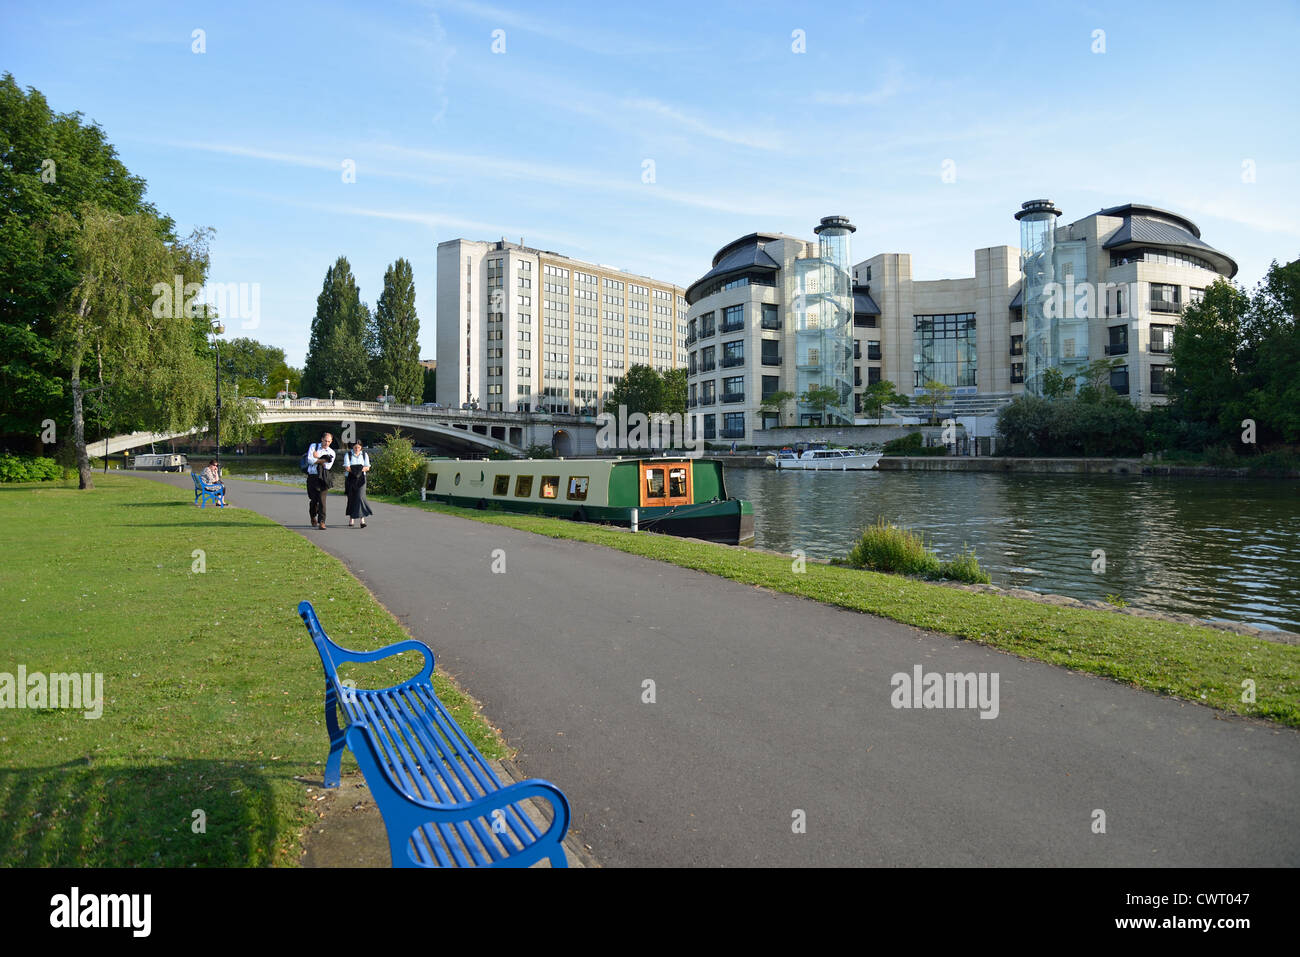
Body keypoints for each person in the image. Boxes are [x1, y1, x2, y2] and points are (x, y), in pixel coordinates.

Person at [305, 432, 336, 529]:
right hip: (313, 476)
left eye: (329, 441)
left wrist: (317, 458)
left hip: (324, 477)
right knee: (314, 500)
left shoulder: (331, 452)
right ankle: (312, 516)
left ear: (331, 442)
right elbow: (309, 460)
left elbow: (328, 466)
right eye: (325, 441)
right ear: (322, 439)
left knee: (322, 501)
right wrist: (323, 460)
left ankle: (322, 522)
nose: (327, 443)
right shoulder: (314, 446)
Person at [342, 441, 373, 528]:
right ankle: (351, 518)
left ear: (361, 448)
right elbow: (347, 467)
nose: (357, 449)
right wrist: (359, 468)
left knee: (360, 497)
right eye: (355, 447)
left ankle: (362, 520)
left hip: (361, 479)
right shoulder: (348, 455)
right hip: (350, 479)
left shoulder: (364, 455)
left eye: (358, 448)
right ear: (352, 447)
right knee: (351, 498)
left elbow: (367, 467)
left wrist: (356, 469)